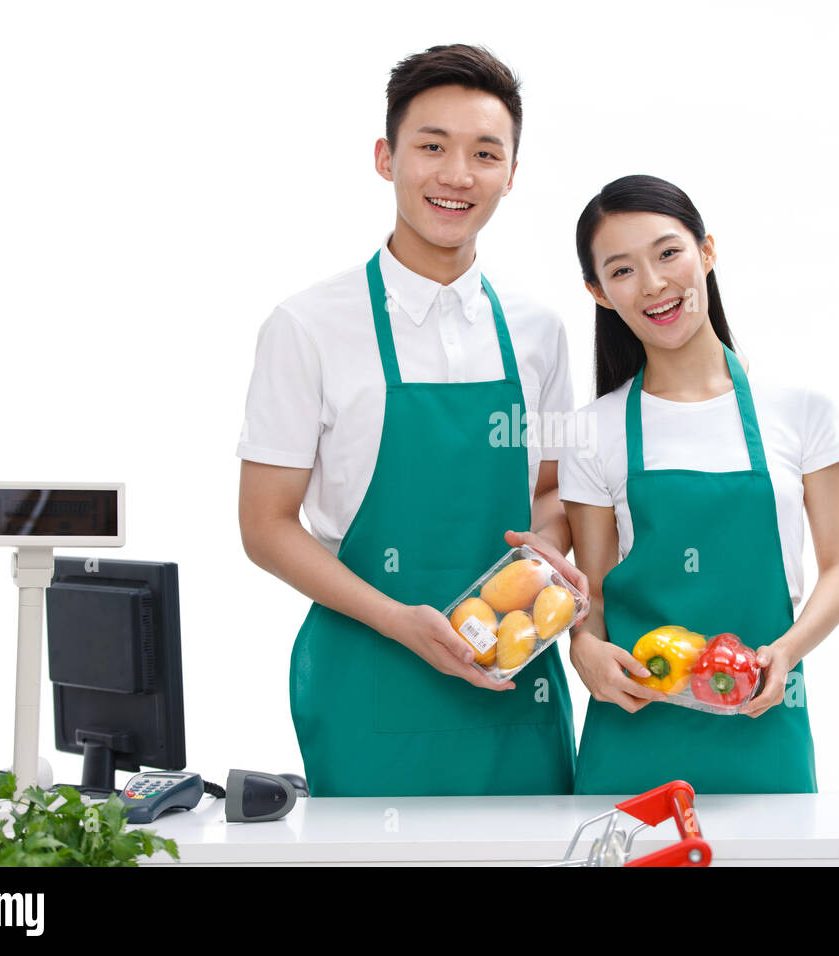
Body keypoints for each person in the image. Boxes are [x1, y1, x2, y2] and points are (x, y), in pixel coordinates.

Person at [236, 44, 584, 797]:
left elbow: (555, 495)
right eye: (432, 147)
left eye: (485, 153)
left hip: (514, 679)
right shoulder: (306, 326)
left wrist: (542, 565)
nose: (458, 175)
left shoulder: (541, 331)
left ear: (512, 174)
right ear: (385, 158)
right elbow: (264, 525)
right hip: (368, 677)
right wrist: (399, 621)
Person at [560, 174, 839, 794]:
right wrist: (581, 647)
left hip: (764, 720)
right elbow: (596, 594)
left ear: (708, 251)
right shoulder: (594, 430)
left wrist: (787, 652)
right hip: (634, 730)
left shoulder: (801, 412)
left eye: (668, 253)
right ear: (598, 292)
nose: (653, 284)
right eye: (621, 270)